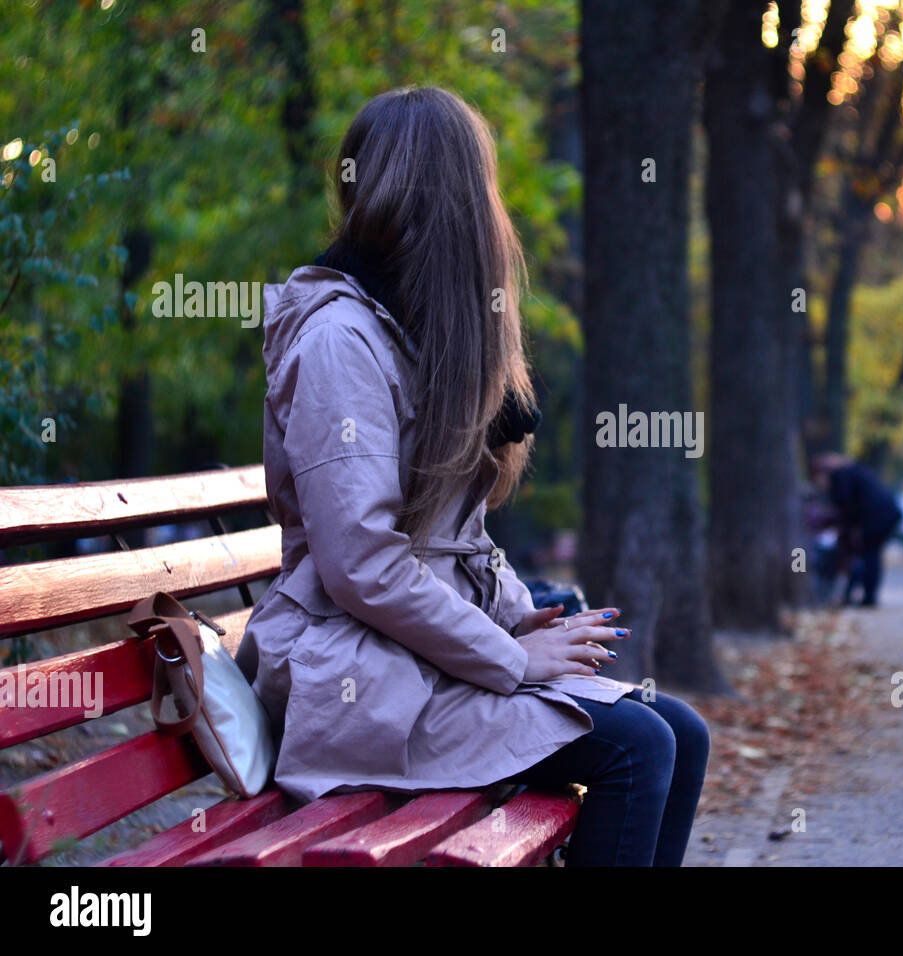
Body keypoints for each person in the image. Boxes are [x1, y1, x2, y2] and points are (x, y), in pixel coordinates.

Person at [235, 87, 709, 867]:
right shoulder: (338, 340)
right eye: (482, 189)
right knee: (636, 751)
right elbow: (362, 563)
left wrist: (521, 620)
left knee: (679, 732)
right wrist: (513, 660)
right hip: (349, 676)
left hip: (406, 657)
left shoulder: (406, 331)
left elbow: (454, 537)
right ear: (454, 201)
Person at [818, 453, 902, 607]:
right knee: (870, 554)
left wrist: (848, 528)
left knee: (869, 554)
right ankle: (866, 595)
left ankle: (868, 598)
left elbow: (846, 504)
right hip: (885, 514)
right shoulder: (854, 472)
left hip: (878, 517)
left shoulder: (840, 475)